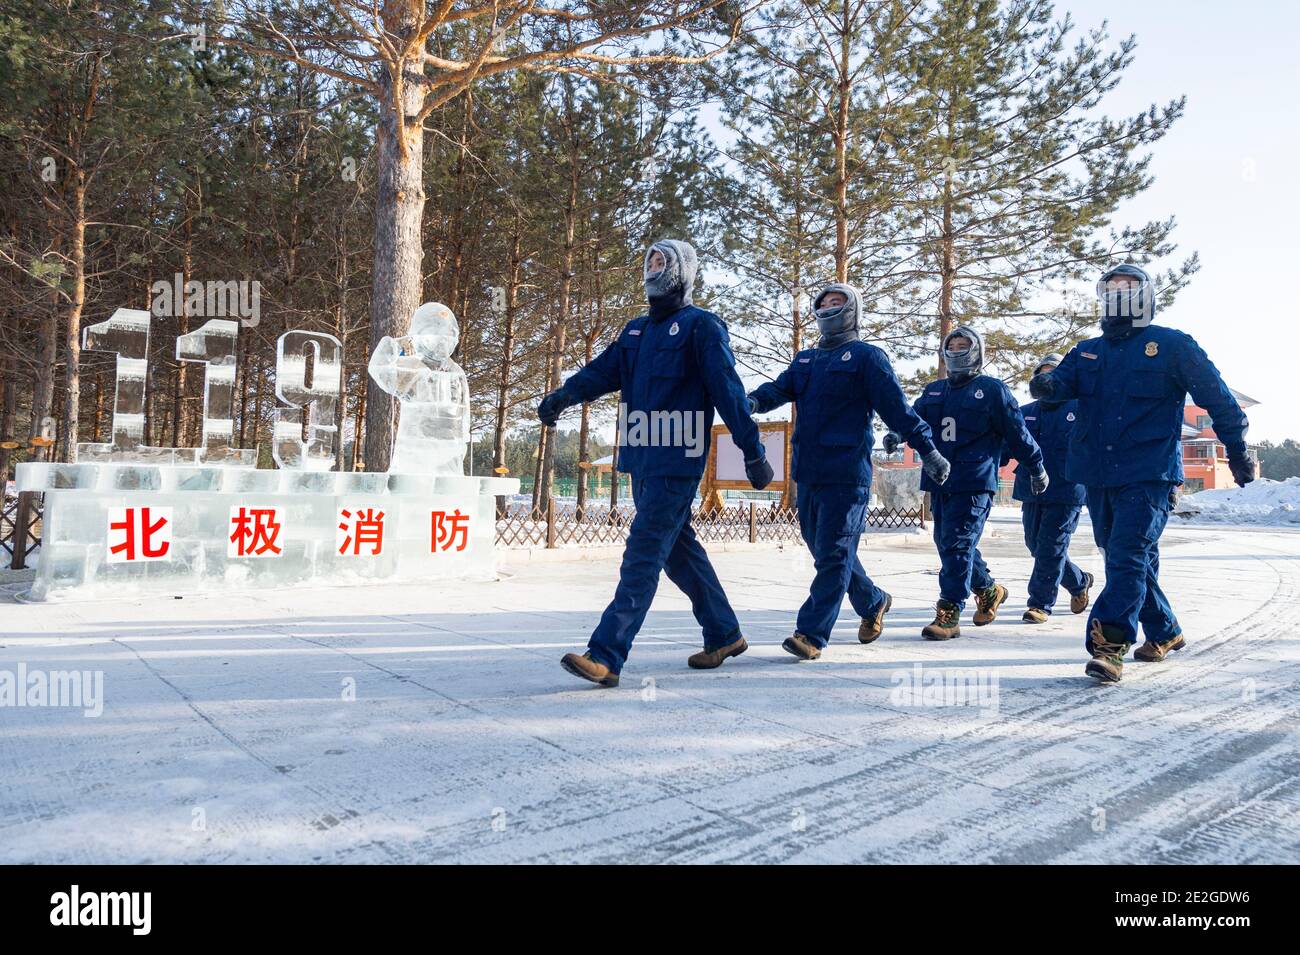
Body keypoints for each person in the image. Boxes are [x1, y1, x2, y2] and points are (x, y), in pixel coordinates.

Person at [538, 240, 774, 687]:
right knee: (679, 554)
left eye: (662, 261)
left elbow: (728, 392)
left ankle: (607, 654)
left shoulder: (702, 327)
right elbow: (599, 373)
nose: (653, 267)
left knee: (643, 553)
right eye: (649, 260)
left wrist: (753, 453)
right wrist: (563, 396)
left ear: (683, 270)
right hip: (642, 459)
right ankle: (724, 632)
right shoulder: (635, 333)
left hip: (678, 461)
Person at [1030, 264, 1254, 682]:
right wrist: (1046, 387)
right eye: (1111, 286)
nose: (1119, 292)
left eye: (1128, 286)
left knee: (1127, 554)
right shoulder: (1086, 351)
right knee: (1125, 557)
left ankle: (1110, 644)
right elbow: (1058, 384)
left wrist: (1237, 452)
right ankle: (1166, 630)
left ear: (1146, 294)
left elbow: (1219, 400)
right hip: (1097, 473)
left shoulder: (1171, 346)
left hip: (1149, 472)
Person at [748, 284, 949, 661]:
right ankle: (873, 601)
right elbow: (778, 389)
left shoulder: (866, 358)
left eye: (836, 303)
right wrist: (754, 401)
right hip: (808, 472)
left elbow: (898, 411)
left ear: (852, 310)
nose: (827, 308)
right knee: (825, 551)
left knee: (835, 554)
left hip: (847, 474)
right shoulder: (805, 360)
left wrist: (928, 450)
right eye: (822, 303)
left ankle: (811, 632)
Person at [887, 326, 1047, 640]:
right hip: (939, 479)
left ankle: (949, 611)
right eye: (953, 345)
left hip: (975, 480)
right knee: (948, 543)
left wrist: (1036, 466)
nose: (957, 350)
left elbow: (1018, 433)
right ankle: (988, 591)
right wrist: (897, 434)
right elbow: (914, 421)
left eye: (964, 345)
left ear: (976, 351)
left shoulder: (992, 390)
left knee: (958, 544)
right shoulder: (934, 391)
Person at [1008, 353, 1093, 624]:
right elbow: (1006, 444)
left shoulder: (1081, 409)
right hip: (1031, 488)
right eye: (1042, 374)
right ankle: (1079, 582)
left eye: (1053, 374)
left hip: (1067, 490)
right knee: (1034, 544)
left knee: (1051, 547)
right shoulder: (1025, 413)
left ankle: (1040, 603)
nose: (1047, 380)